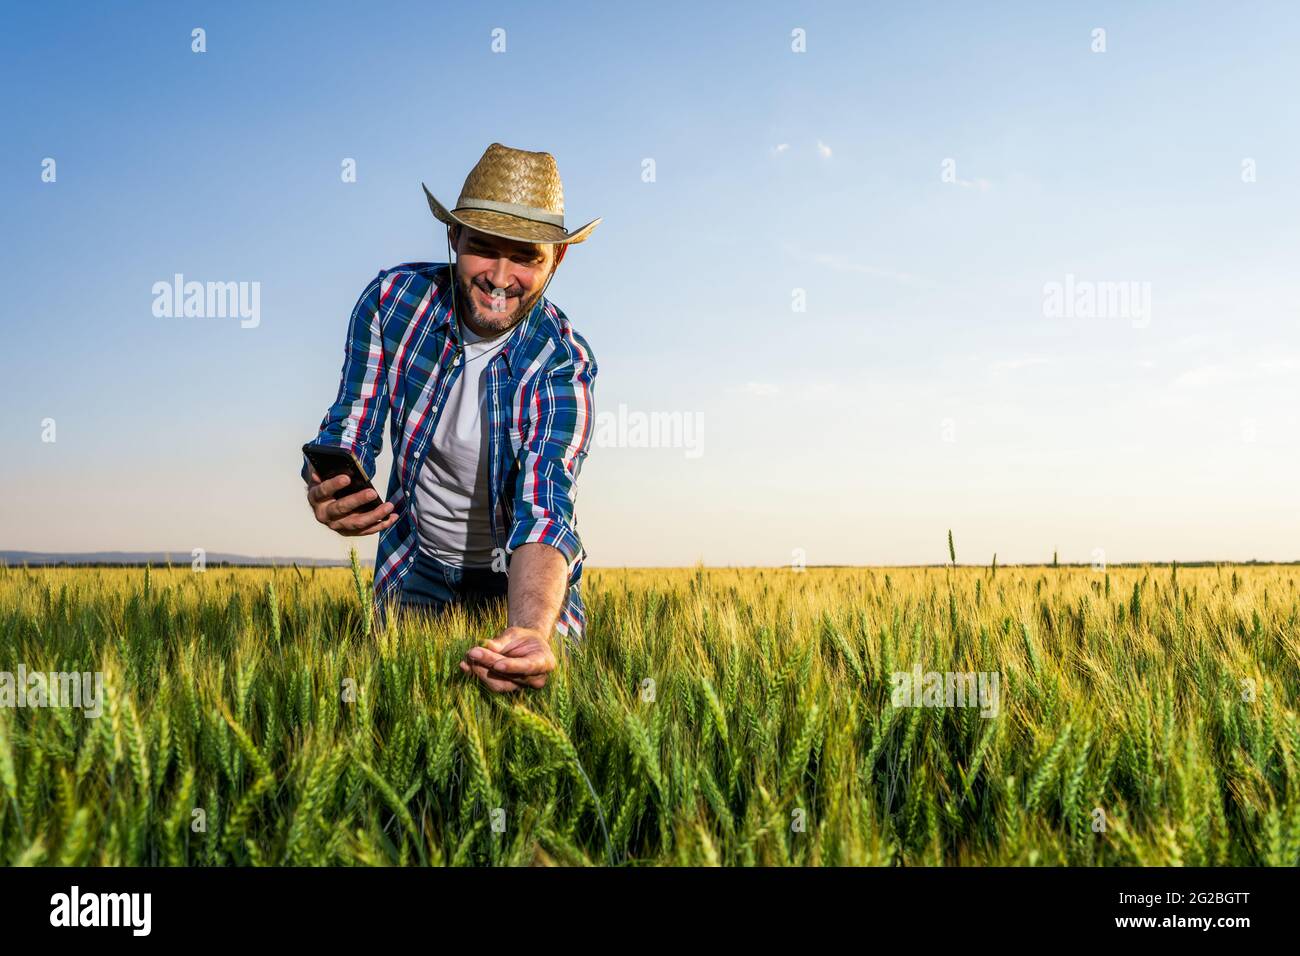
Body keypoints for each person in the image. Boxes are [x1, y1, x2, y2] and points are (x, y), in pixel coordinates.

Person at [303, 143, 600, 693]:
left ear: (556, 261)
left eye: (527, 258)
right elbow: (351, 427)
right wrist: (327, 487)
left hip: (521, 579)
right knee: (396, 715)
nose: (500, 277)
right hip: (414, 564)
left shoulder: (562, 363)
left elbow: (546, 505)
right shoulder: (392, 304)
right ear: (453, 238)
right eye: (484, 248)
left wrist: (531, 628)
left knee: (529, 712)